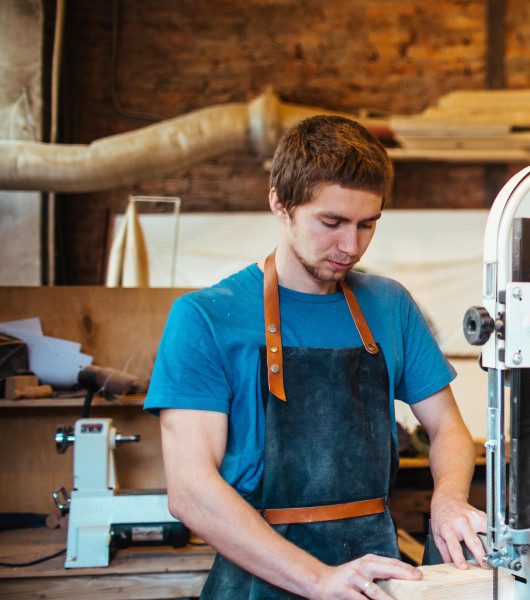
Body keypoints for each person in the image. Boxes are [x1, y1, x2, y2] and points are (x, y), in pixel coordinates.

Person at [145, 115, 487, 600]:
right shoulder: (205, 318)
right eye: (332, 223)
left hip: (374, 576)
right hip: (258, 580)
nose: (351, 246)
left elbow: (448, 426)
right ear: (280, 205)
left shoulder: (389, 305)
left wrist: (449, 500)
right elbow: (191, 491)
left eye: (368, 225)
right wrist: (317, 579)